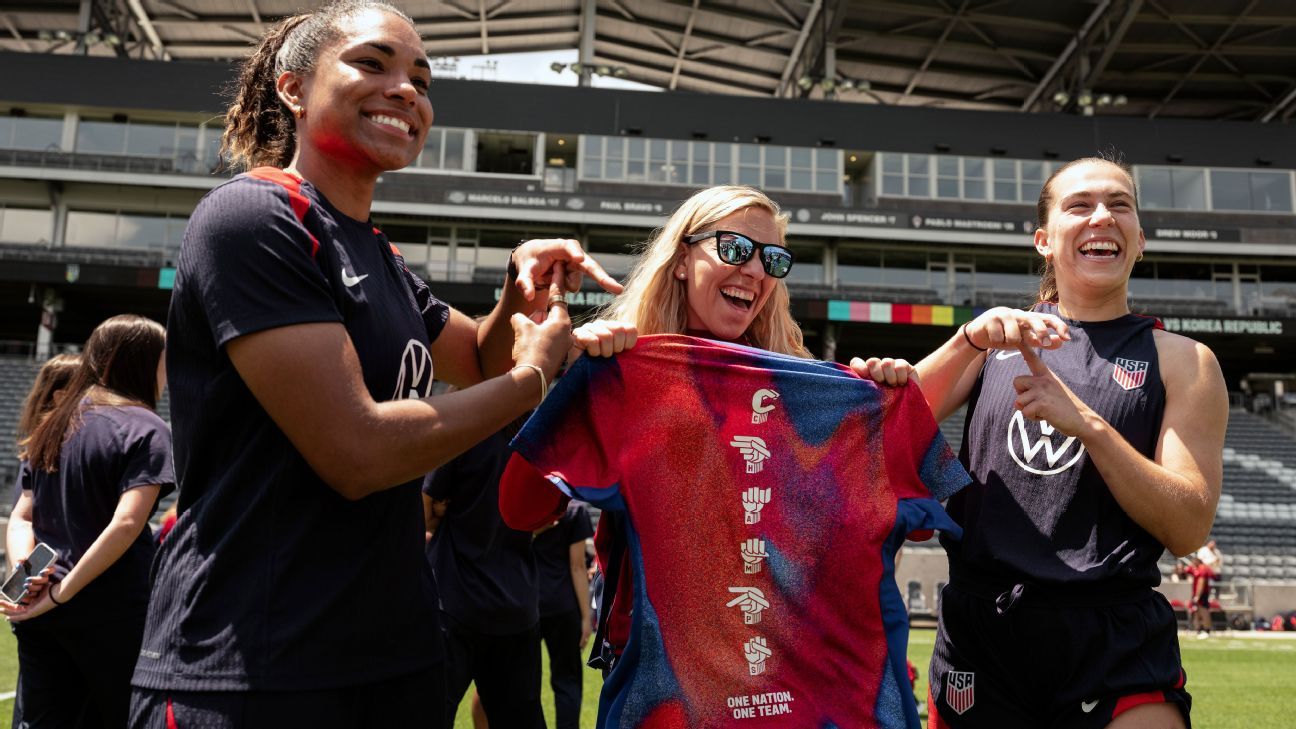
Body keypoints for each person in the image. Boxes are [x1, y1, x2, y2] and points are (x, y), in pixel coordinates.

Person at [127, 3, 619, 728]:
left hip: (392, 663)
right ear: (293, 88)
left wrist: (519, 287)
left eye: (421, 79)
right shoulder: (255, 218)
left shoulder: (379, 255)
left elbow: (476, 358)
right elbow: (354, 449)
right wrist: (532, 381)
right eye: (372, 63)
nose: (406, 90)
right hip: (253, 671)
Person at [501, 185, 968, 728]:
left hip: (804, 705)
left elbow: (894, 534)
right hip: (673, 701)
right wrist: (563, 386)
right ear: (681, 260)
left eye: (770, 258)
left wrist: (875, 402)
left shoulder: (814, 405)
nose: (753, 269)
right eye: (733, 248)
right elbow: (520, 508)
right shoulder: (626, 377)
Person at [915, 156, 1228, 728]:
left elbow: (1188, 528)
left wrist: (1089, 425)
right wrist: (965, 339)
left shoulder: (1185, 362)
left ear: (1139, 241)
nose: (1102, 217)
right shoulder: (992, 338)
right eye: (1079, 206)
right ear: (1043, 239)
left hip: (1112, 635)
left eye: (1120, 205)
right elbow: (889, 421)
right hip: (981, 631)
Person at [3, 315, 173, 728]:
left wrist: (25, 576)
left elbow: (22, 516)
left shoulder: (53, 423)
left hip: (41, 610)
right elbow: (127, 523)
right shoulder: (148, 427)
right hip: (112, 609)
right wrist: (62, 592)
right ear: (143, 362)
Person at [424, 424, 545, 728]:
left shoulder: (469, 425)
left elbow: (425, 510)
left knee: (426, 712)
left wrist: (445, 510)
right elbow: (546, 519)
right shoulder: (543, 433)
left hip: (453, 599)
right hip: (516, 604)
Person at [532, 501, 595, 729]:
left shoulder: (528, 505)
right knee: (567, 682)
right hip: (563, 604)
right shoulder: (576, 509)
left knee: (525, 683)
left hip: (528, 602)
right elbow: (577, 566)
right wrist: (586, 617)